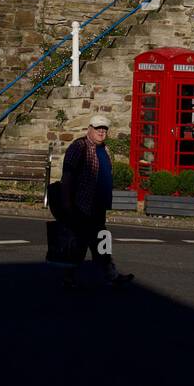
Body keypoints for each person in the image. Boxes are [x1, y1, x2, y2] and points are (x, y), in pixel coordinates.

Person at [58, 114, 133, 289]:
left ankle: (108, 274)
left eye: (104, 129)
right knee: (82, 242)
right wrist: (67, 202)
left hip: (98, 205)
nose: (101, 132)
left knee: (99, 240)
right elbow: (67, 175)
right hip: (82, 205)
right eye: (98, 129)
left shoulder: (104, 149)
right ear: (89, 129)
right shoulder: (79, 146)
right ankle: (72, 277)